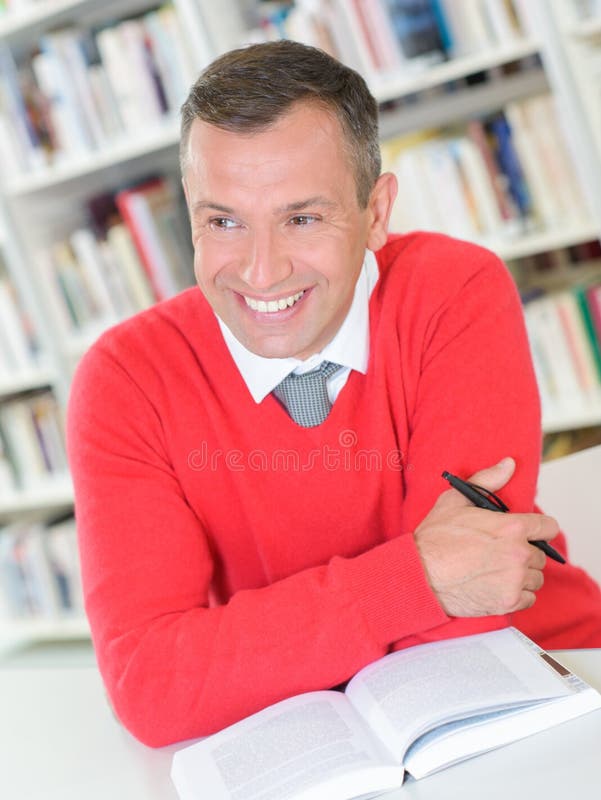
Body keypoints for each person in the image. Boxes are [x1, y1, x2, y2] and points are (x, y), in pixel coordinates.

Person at [67, 40, 601, 748]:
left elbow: (472, 607)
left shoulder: (452, 293)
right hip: (309, 743)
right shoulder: (125, 382)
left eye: (302, 218)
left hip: (546, 674)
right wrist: (414, 576)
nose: (260, 271)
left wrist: (253, 648)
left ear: (376, 213)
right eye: (223, 221)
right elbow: (152, 684)